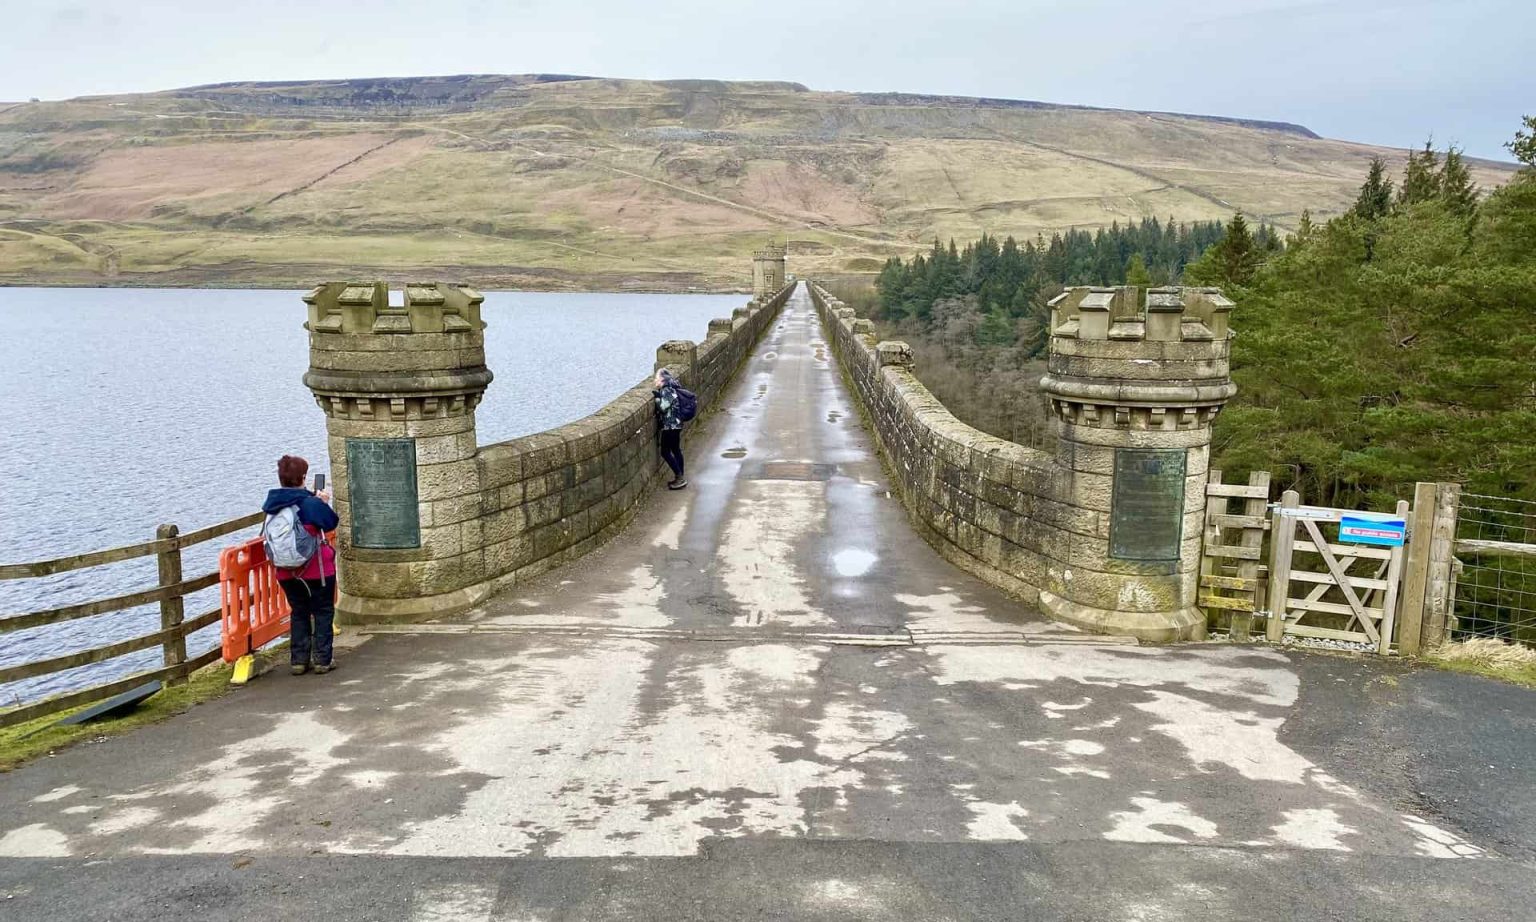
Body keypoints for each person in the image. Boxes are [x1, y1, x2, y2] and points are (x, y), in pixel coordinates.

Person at [263, 455, 340, 675]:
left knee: (299, 611)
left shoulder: (272, 506)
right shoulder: (310, 503)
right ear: (303, 478)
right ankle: (322, 660)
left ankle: (298, 660)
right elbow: (331, 522)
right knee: (323, 611)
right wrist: (323, 503)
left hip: (286, 572)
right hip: (316, 570)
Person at [653, 369, 688, 490]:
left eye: (656, 378)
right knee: (676, 449)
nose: (654, 380)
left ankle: (680, 477)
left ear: (662, 380)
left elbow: (663, 407)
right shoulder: (671, 388)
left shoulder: (667, 389)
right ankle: (680, 475)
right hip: (676, 425)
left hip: (671, 426)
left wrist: (657, 399)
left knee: (665, 452)